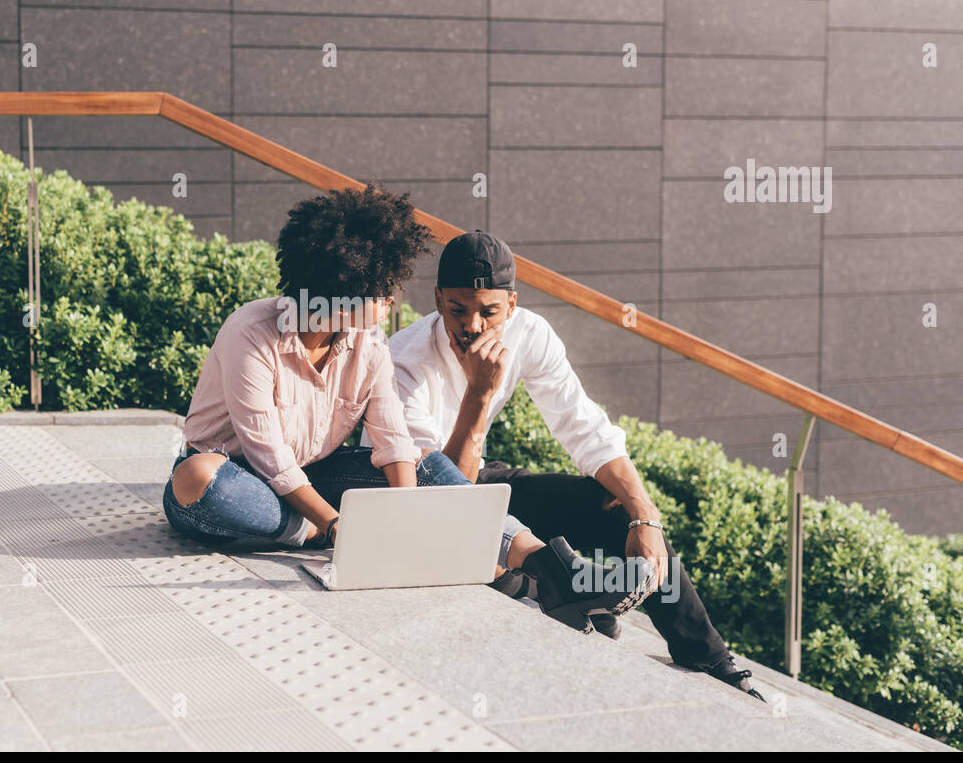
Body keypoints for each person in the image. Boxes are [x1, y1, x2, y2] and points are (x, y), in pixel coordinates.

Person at [163, 186, 649, 626]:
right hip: (240, 478)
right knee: (198, 478)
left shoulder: (367, 342)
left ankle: (550, 568)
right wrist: (338, 526)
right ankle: (318, 532)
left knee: (424, 460)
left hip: (320, 475)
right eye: (382, 291)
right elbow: (269, 457)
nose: (393, 299)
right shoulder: (251, 333)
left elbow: (394, 441)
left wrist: (406, 515)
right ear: (343, 292)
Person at [366, 229, 765, 701]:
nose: (472, 325)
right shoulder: (403, 362)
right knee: (475, 525)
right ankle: (552, 590)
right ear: (437, 300)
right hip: (417, 498)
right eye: (458, 309)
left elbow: (585, 429)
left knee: (614, 506)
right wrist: (478, 392)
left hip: (479, 476)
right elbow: (444, 498)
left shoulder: (530, 335)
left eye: (488, 312)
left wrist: (644, 514)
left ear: (511, 305)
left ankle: (707, 655)